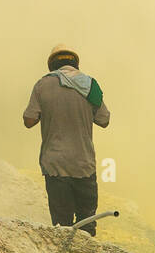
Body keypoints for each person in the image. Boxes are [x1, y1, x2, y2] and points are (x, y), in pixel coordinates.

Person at [22, 45, 111, 236]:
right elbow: (104, 120)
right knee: (86, 225)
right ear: (75, 63)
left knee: (61, 227)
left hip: (55, 166)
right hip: (84, 165)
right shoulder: (90, 85)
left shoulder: (42, 85)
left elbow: (29, 121)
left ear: (52, 64)